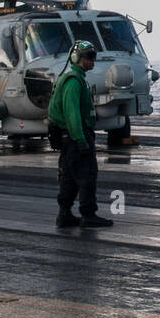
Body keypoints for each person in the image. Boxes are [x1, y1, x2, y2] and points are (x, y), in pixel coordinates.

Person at [47, 40, 113, 228]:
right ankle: (88, 214)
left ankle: (64, 214)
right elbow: (72, 113)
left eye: (93, 56)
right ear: (77, 59)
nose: (93, 60)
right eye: (89, 57)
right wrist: (81, 140)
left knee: (69, 177)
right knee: (87, 175)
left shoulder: (74, 79)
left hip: (69, 138)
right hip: (76, 136)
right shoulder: (73, 83)